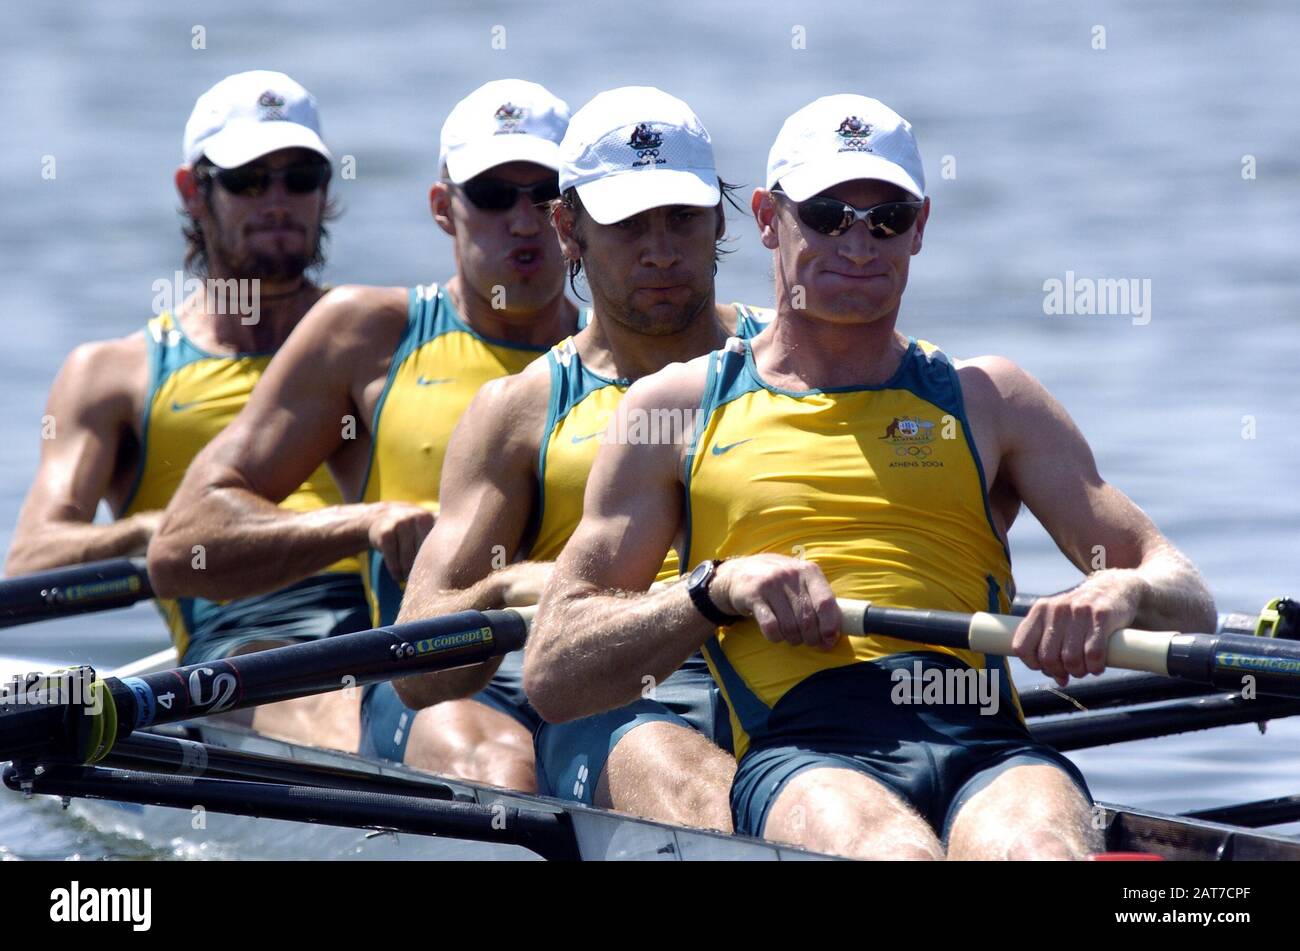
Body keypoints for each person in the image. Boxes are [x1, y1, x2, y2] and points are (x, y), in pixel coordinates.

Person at [525, 94, 1217, 858]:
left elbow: (1188, 598)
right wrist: (713, 589)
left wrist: (1120, 591)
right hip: (808, 750)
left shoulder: (991, 398)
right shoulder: (675, 411)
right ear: (768, 219)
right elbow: (554, 669)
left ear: (920, 227)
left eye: (886, 219)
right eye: (828, 216)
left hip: (988, 743)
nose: (858, 244)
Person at [147, 80, 578, 787]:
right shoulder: (369, 333)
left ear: (579, 211)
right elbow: (179, 549)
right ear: (442, 208)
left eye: (547, 196)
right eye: (494, 196)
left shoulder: (640, 352)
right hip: (433, 676)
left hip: (592, 665)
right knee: (506, 771)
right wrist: (366, 522)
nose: (525, 221)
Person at [392, 86, 770, 828]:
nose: (660, 251)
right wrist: (502, 588)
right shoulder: (519, 411)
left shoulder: (799, 363)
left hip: (790, 681)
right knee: (687, 777)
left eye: (682, 218)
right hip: (622, 707)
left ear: (720, 219)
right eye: (628, 224)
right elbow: (416, 670)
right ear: (568, 229)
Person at [6, 70, 370, 749]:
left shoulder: (381, 341)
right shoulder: (114, 374)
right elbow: (32, 564)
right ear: (191, 191)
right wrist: (162, 529)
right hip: (245, 643)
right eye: (249, 180)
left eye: (300, 178)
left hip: (398, 620)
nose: (278, 201)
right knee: (349, 709)